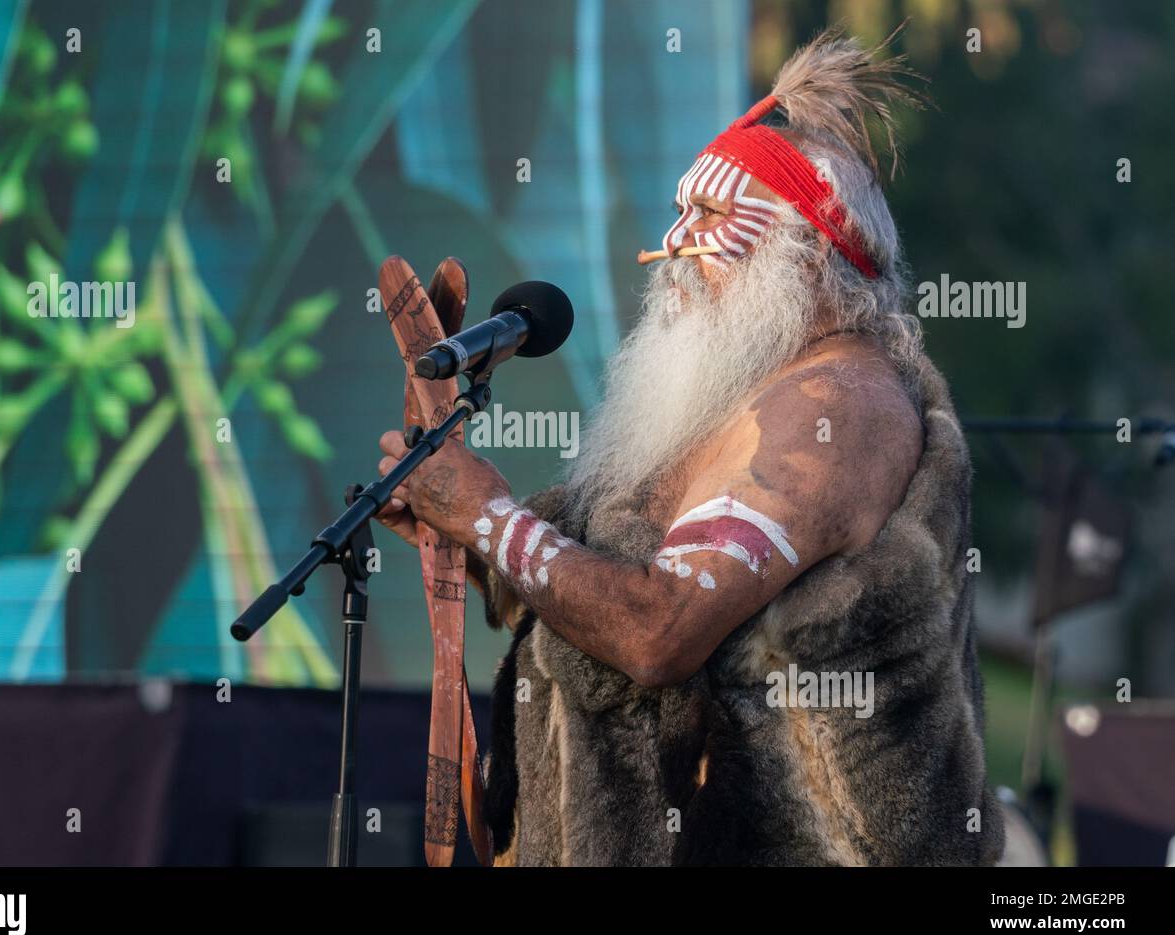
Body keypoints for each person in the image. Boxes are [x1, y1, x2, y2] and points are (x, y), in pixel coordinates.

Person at [376, 27, 1004, 866]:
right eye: (678, 212)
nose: (668, 247)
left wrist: (488, 518)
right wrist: (452, 521)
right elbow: (606, 574)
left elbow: (661, 628)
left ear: (810, 248)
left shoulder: (834, 406)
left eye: (707, 216)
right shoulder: (746, 398)